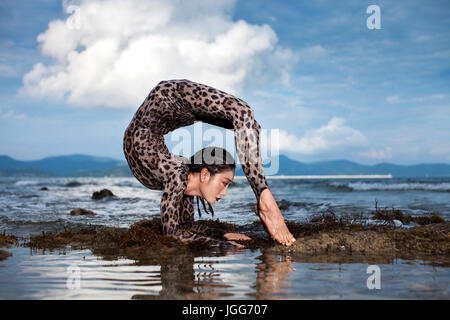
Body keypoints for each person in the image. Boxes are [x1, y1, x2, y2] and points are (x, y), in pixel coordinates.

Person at [123, 79, 295, 247]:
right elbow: (171, 233)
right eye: (224, 183)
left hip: (160, 122)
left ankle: (263, 198)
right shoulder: (176, 175)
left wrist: (223, 235)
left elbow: (186, 228)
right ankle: (265, 199)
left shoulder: (182, 177)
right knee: (242, 111)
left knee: (253, 126)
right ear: (204, 174)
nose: (225, 193)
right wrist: (223, 246)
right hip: (169, 97)